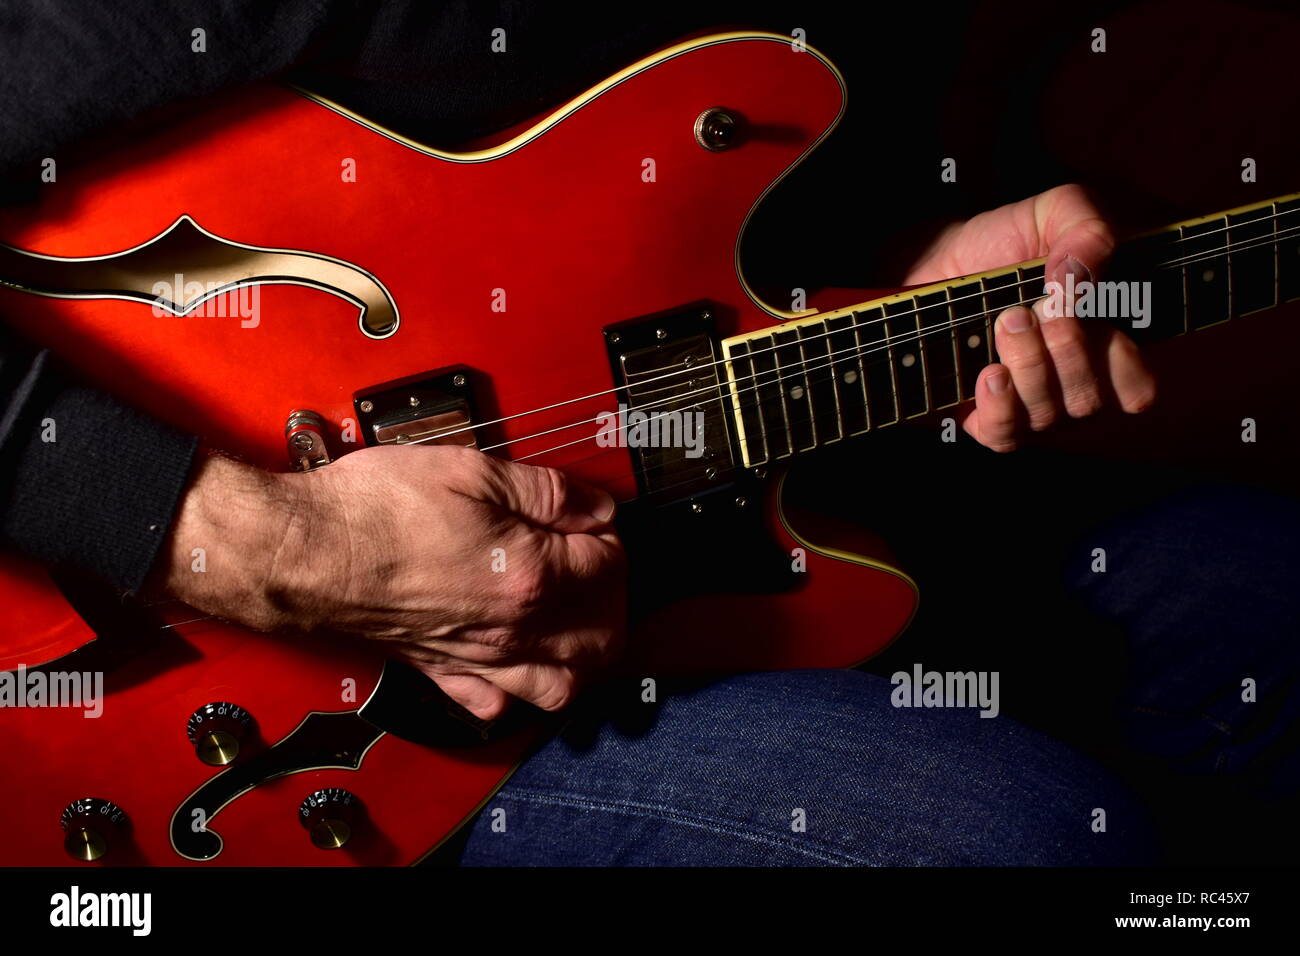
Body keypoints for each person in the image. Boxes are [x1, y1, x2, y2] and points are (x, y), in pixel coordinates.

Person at [1, 2, 1294, 866]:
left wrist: (912, 284)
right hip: (358, 712)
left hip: (742, 530)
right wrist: (274, 547)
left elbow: (705, 192)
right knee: (1035, 841)